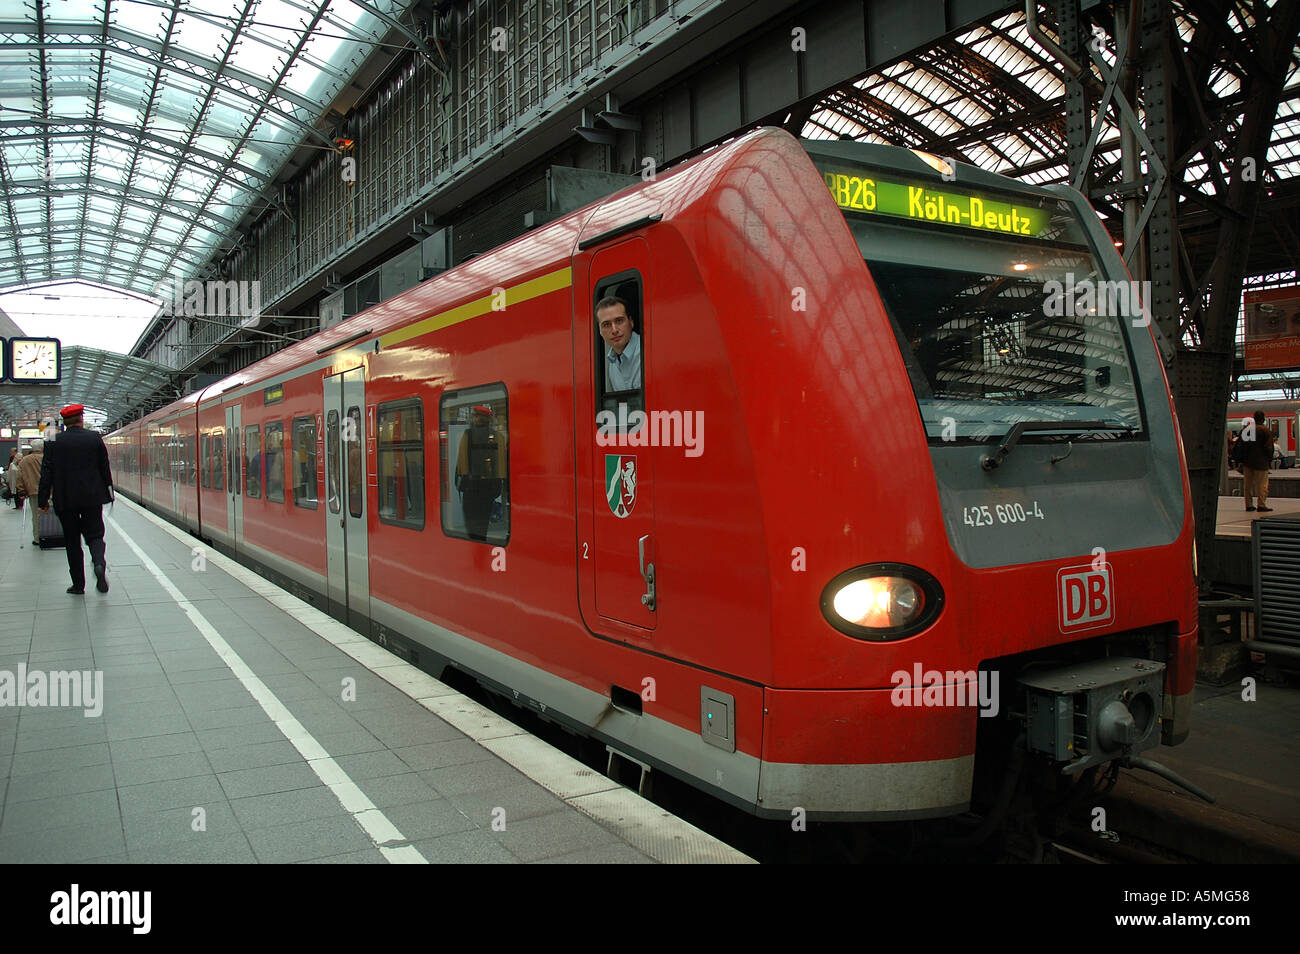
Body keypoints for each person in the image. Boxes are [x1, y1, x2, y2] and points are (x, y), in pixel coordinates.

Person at [38, 404, 115, 595]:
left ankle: (78, 585)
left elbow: (46, 472)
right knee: (96, 535)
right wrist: (109, 492)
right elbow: (104, 467)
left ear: (64, 422)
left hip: (65, 499)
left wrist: (42, 500)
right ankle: (98, 563)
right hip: (92, 497)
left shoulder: (52, 441)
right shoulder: (94, 438)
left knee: (72, 542)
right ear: (81, 418)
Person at [455, 405, 504, 541]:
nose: (474, 418)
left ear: (477, 418)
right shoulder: (497, 436)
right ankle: (481, 541)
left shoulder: (467, 434)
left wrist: (462, 479)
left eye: (475, 416)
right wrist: (498, 481)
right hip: (489, 486)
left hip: (471, 485)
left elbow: (462, 461)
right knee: (483, 520)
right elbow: (500, 463)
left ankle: (475, 544)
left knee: (471, 521)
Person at [596, 297, 642, 392]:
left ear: (631, 322)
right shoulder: (612, 364)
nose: (614, 330)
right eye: (606, 325)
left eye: (619, 321)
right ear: (600, 331)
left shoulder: (647, 352)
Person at [1241, 410, 1274, 513]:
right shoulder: (1265, 431)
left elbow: (1242, 446)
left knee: (1248, 485)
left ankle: (1249, 505)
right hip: (1261, 462)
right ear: (1263, 419)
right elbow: (1269, 447)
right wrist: (1269, 459)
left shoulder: (1247, 430)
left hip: (1247, 462)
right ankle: (1261, 504)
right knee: (1262, 485)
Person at [16, 438, 44, 545]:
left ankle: (37, 538)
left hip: (33, 491)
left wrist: (21, 491)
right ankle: (52, 533)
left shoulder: (25, 460)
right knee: (51, 512)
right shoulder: (48, 458)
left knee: (36, 515)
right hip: (49, 491)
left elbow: (20, 477)